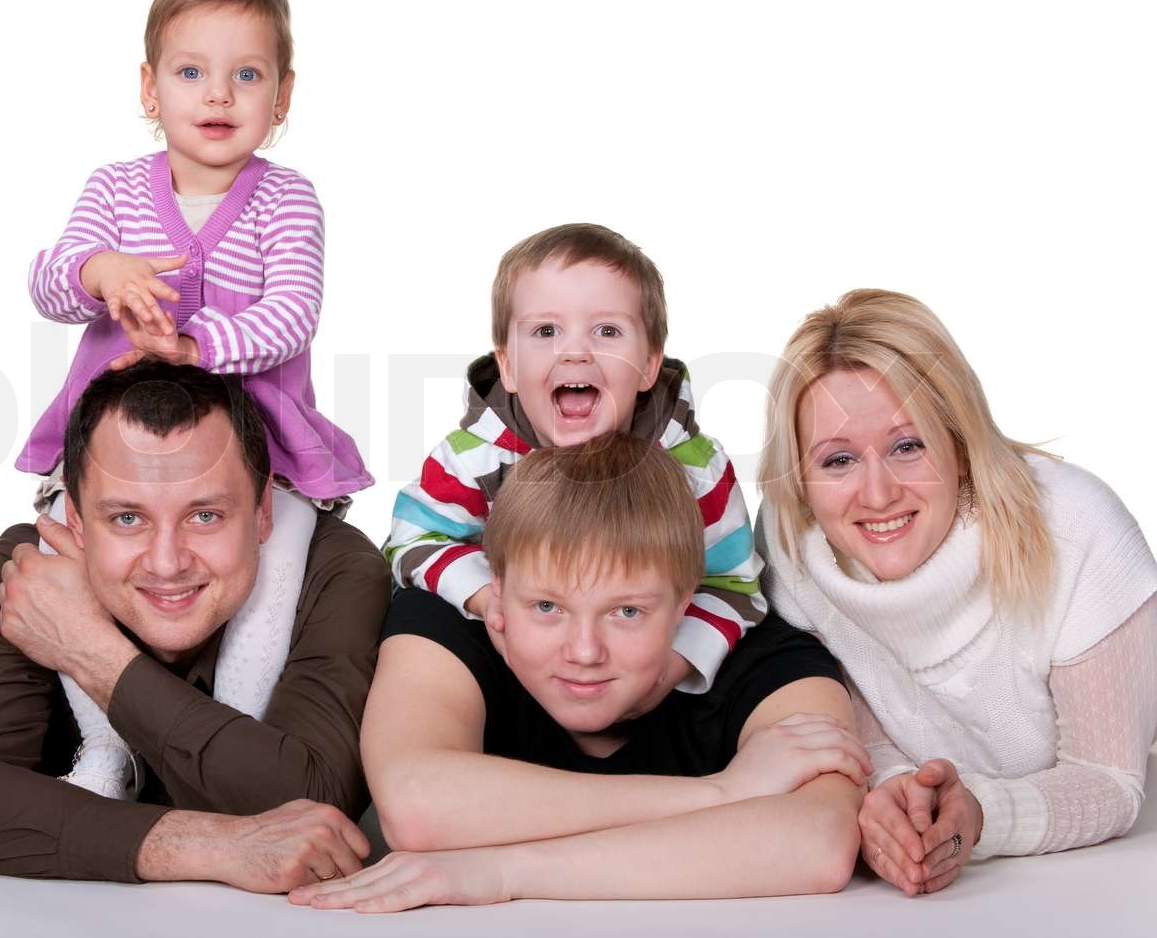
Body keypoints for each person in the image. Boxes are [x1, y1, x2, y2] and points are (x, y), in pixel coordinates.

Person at [20, 0, 371, 797]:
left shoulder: (287, 200)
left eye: (246, 75)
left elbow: (292, 314)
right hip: (120, 453)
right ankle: (107, 748)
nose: (218, 95)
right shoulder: (114, 190)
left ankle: (234, 736)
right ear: (150, 88)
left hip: (264, 453)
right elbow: (48, 283)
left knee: (273, 576)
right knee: (65, 562)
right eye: (190, 73)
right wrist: (100, 270)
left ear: (282, 97)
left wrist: (195, 345)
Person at [294, 434, 866, 912]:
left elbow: (817, 841)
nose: (585, 652)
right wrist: (727, 792)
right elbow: (417, 806)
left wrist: (499, 872)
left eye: (627, 612)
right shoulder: (447, 621)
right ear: (495, 589)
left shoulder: (766, 655)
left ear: (686, 600)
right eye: (547, 607)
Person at [0, 360, 391, 888]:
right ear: (74, 519)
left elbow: (316, 806)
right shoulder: (28, 573)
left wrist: (94, 654)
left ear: (263, 511)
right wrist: (210, 846)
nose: (167, 563)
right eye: (127, 518)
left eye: (205, 516)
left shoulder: (336, 569)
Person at [756, 288, 1157, 895]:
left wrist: (982, 816)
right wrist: (894, 804)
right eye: (837, 461)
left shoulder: (1075, 528)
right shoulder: (790, 548)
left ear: (961, 447)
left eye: (908, 446)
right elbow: (866, 741)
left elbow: (1109, 778)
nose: (878, 494)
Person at [385, 223, 765, 696]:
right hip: (515, 653)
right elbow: (413, 539)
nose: (575, 352)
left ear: (649, 364)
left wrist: (672, 667)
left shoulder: (695, 471)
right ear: (508, 366)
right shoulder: (475, 458)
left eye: (607, 331)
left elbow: (733, 585)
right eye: (546, 331)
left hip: (638, 666)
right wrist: (486, 600)